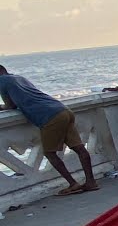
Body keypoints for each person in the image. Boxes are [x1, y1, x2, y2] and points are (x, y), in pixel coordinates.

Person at [0, 65, 100, 194]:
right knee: (79, 148)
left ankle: (73, 183)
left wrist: (1, 107)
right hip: (62, 110)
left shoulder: (2, 81)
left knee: (50, 154)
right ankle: (91, 182)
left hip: (49, 116)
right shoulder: (19, 78)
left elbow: (10, 105)